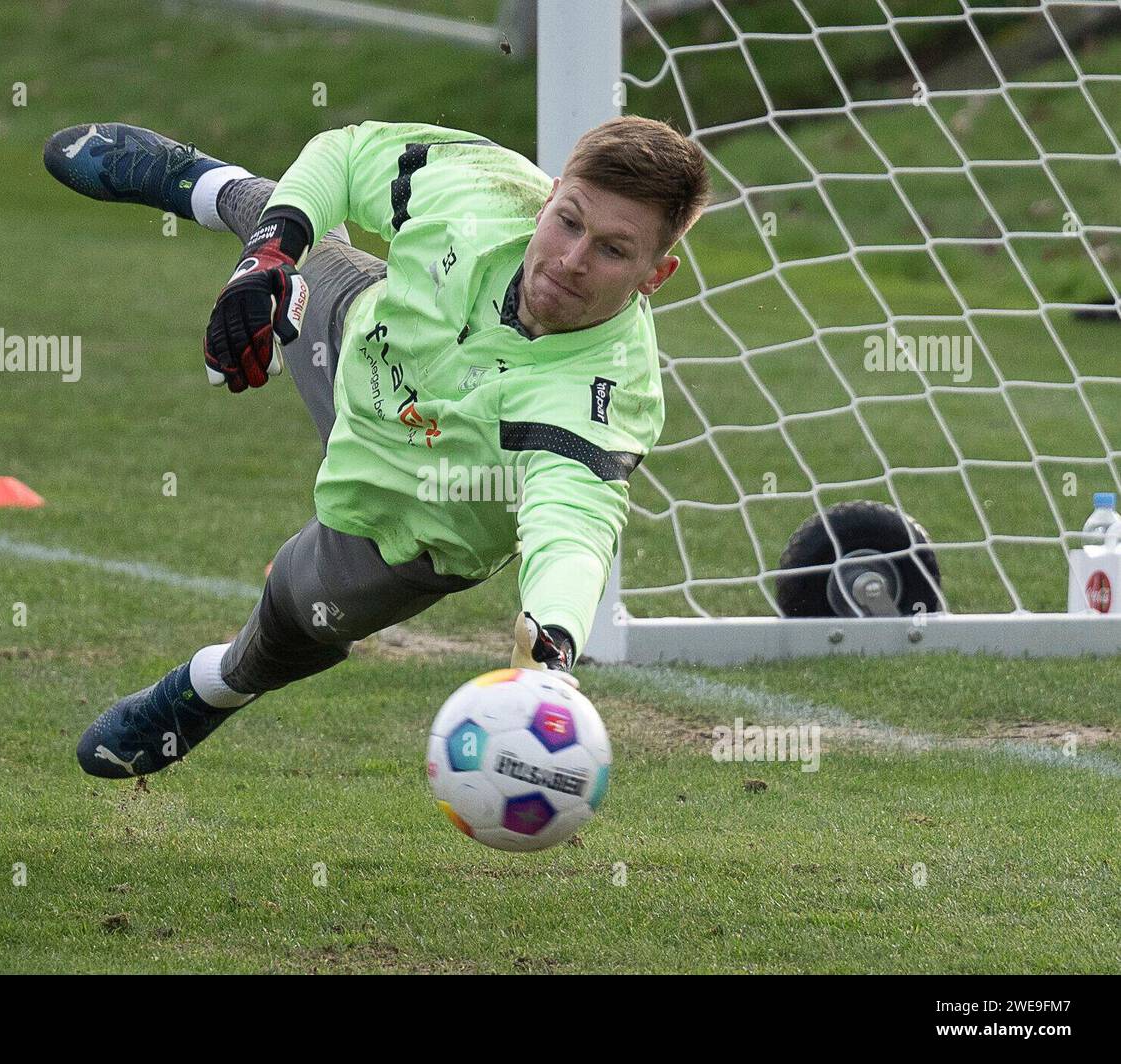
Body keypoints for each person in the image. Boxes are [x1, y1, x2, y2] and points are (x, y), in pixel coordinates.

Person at [42, 117, 709, 778]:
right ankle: (205, 184)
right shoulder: (481, 187)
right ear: (550, 194)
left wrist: (553, 637)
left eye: (613, 251)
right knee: (290, 240)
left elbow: (575, 527)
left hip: (411, 519)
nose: (571, 259)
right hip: (353, 337)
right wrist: (269, 259)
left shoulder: (603, 394)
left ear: (657, 274)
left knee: (293, 624)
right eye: (568, 221)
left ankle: (211, 687)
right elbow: (345, 154)